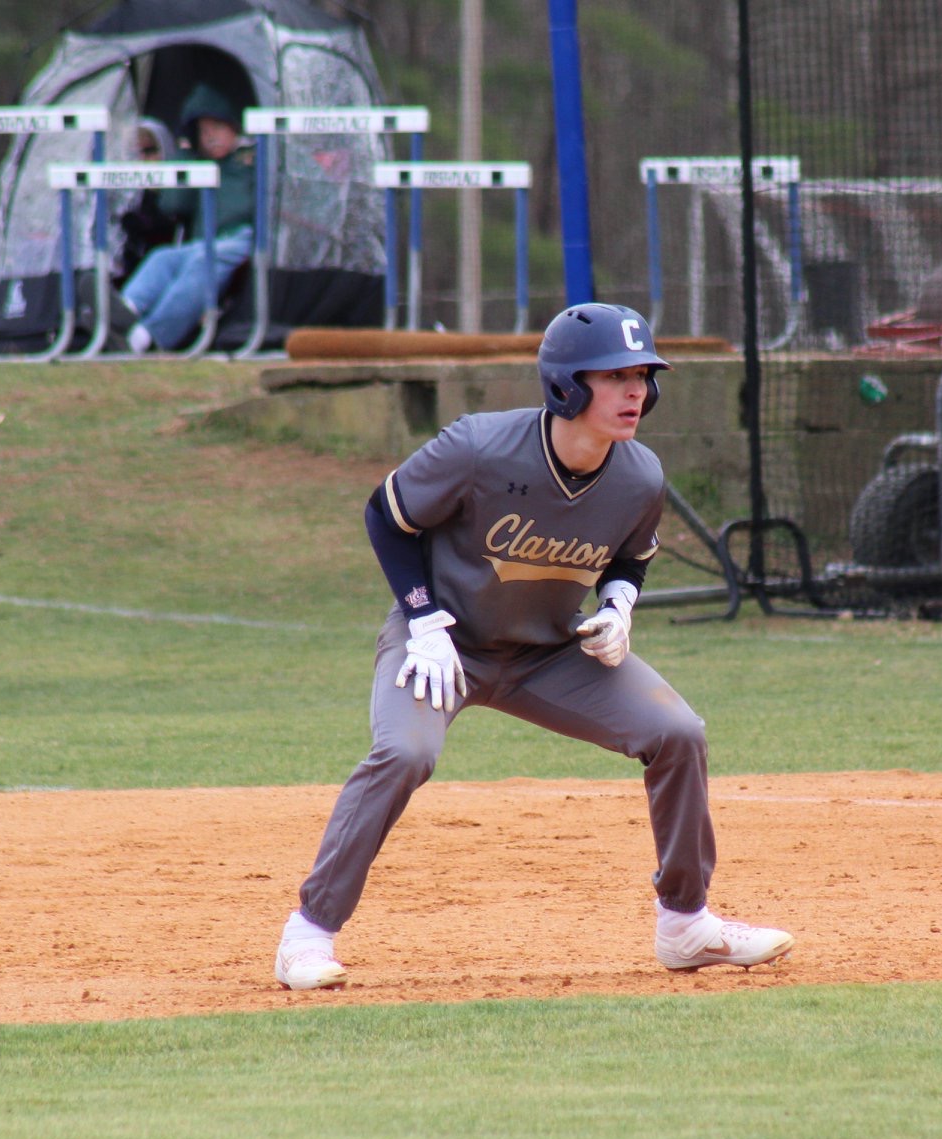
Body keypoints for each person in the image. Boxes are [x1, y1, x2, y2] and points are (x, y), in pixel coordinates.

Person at [274, 302, 795, 991]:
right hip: (442, 645)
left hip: (550, 653)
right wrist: (423, 620)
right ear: (566, 385)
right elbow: (387, 515)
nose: (635, 390)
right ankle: (307, 935)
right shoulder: (479, 448)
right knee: (404, 752)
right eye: (614, 375)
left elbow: (630, 558)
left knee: (678, 732)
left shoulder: (639, 476)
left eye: (642, 375)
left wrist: (618, 604)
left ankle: (685, 925)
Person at [116, 86, 254, 353]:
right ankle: (122, 313)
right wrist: (186, 151)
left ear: (233, 126)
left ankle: (145, 337)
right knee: (163, 258)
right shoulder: (199, 164)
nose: (210, 136)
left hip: (244, 238)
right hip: (203, 243)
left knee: (205, 259)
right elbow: (172, 204)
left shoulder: (253, 159)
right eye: (202, 130)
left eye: (216, 126)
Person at [114, 116, 182, 284]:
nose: (143, 159)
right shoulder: (126, 200)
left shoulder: (181, 194)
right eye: (135, 153)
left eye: (150, 151)